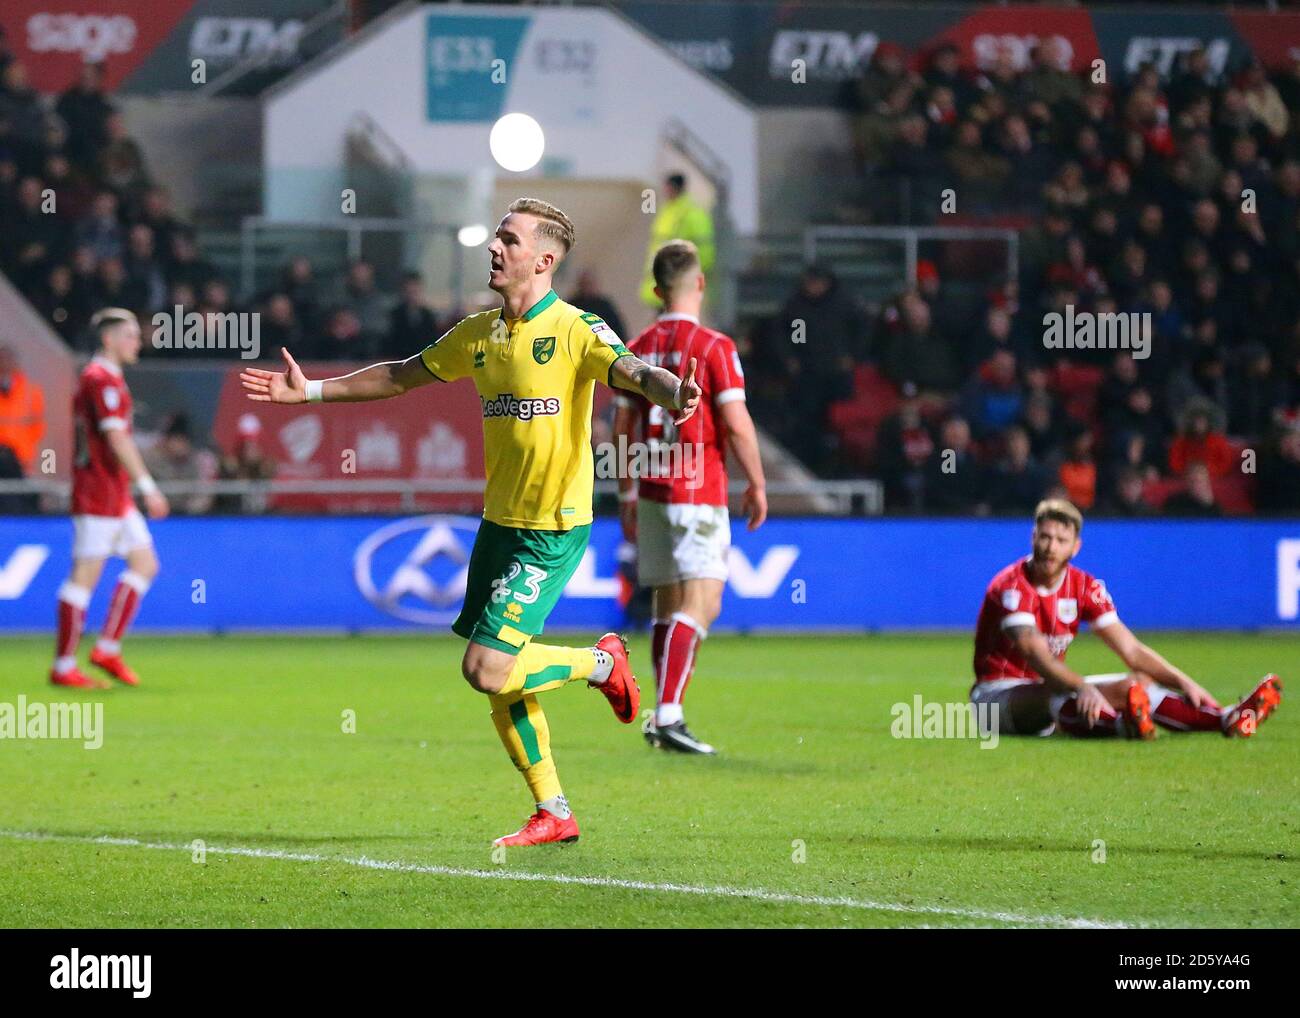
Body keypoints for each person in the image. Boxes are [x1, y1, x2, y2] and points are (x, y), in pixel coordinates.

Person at [241, 197, 702, 846]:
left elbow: (632, 371)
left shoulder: (576, 328)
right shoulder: (479, 335)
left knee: (485, 666)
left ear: (544, 259)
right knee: (501, 683)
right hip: (498, 525)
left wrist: (670, 389)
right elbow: (402, 376)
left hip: (550, 530)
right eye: (495, 236)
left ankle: (601, 664)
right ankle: (555, 812)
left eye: (509, 241)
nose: (494, 247)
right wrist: (312, 391)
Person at [613, 239, 767, 755]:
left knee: (667, 601)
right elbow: (737, 423)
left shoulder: (634, 348)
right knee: (705, 601)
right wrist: (758, 483)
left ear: (656, 291)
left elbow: (620, 425)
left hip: (653, 489)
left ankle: (665, 712)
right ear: (699, 283)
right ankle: (670, 715)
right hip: (699, 489)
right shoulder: (715, 346)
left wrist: (627, 491)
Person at [970, 499, 1281, 739]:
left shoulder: (1085, 587)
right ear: (1033, 537)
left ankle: (1227, 718)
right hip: (994, 700)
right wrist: (1082, 686)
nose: (1051, 548)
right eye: (1045, 538)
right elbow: (1034, 655)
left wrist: (1182, 681)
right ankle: (1124, 725)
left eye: (1061, 540)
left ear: (1075, 547)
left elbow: (1131, 650)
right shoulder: (1010, 586)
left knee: (1136, 685)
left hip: (1053, 689)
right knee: (1062, 689)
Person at [52, 308, 169, 689]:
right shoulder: (99, 379)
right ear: (109, 339)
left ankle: (106, 649)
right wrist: (149, 487)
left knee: (145, 564)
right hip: (98, 493)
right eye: (130, 335)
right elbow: (117, 439)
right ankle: (64, 665)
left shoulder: (107, 378)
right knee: (83, 578)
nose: (138, 342)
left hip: (114, 493)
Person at [639, 173, 715, 307]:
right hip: (661, 283)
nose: (664, 191)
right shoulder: (667, 210)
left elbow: (704, 250)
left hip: (676, 284)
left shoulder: (691, 213)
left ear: (674, 188)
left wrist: (692, 274)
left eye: (667, 187)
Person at [0, 344, 45, 474]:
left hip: (21, 459)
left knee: (18, 492)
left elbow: (38, 428)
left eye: (7, 359)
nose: (4, 363)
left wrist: (23, 451)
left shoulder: (31, 392)